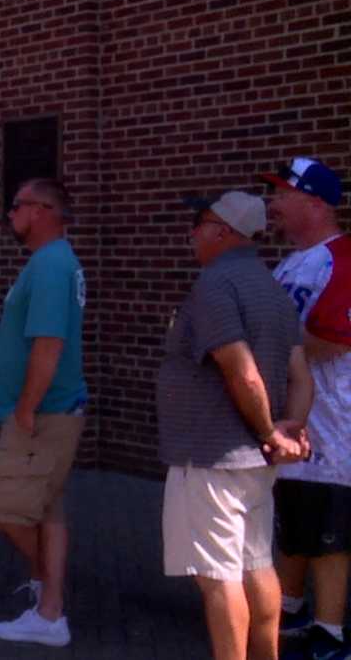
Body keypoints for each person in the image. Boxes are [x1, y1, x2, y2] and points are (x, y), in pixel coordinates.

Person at [159, 190, 314, 660]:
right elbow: (301, 375)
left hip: (214, 456)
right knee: (257, 564)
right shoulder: (272, 289)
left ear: (222, 231)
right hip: (255, 462)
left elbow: (240, 369)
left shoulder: (215, 286)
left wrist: (270, 432)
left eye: (199, 223)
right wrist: (289, 430)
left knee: (217, 578)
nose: (192, 233)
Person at [0, 178, 87, 646]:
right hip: (53, 411)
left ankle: (50, 595)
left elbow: (48, 343)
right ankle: (49, 608)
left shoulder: (50, 264)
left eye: (16, 206)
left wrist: (25, 407)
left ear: (41, 210)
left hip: (43, 415)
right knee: (48, 507)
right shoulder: (53, 261)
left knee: (2, 506)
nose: (10, 214)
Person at [262, 158, 351, 658]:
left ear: (315, 203)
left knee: (330, 532)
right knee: (293, 519)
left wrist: (267, 346)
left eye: (283, 194)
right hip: (296, 420)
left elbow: (335, 338)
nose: (273, 204)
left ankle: (330, 630)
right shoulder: (289, 263)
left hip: (336, 426)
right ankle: (290, 606)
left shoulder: (342, 257)